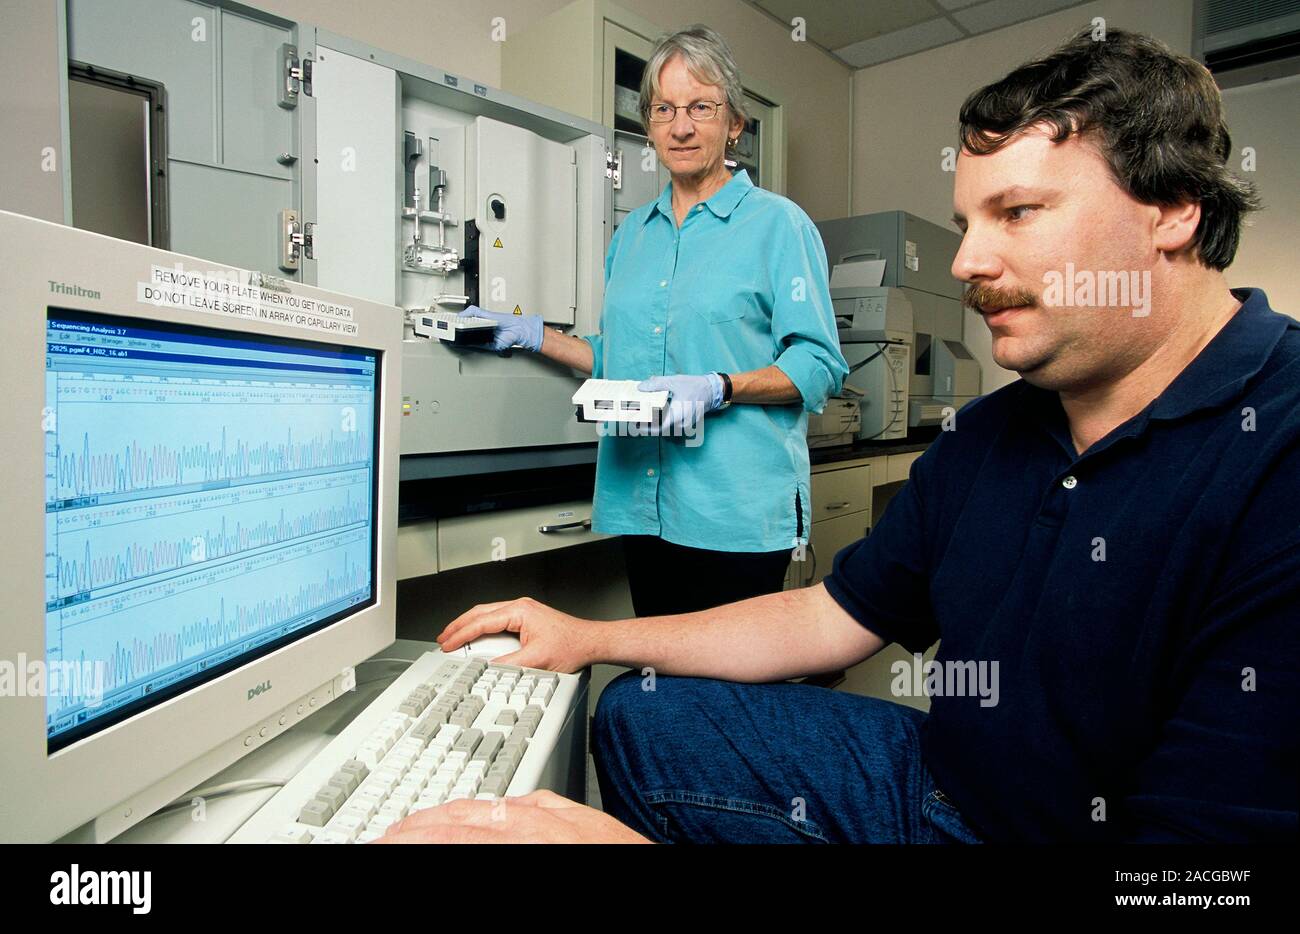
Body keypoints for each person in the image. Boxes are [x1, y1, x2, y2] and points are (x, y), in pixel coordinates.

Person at [377, 27, 1299, 843]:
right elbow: (829, 616)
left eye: (1017, 213)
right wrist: (587, 635)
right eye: (966, 223)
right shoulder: (993, 435)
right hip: (949, 776)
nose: (968, 262)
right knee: (635, 714)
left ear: (1175, 208)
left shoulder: (1276, 450)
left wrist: (720, 386)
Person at [460, 25, 847, 617]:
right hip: (641, 500)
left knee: (723, 701)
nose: (681, 126)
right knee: (660, 686)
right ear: (648, 124)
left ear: (734, 123)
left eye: (701, 107)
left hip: (733, 513)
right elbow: (621, 357)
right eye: (664, 109)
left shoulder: (779, 226)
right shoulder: (632, 236)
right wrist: (538, 336)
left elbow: (819, 365)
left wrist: (721, 387)